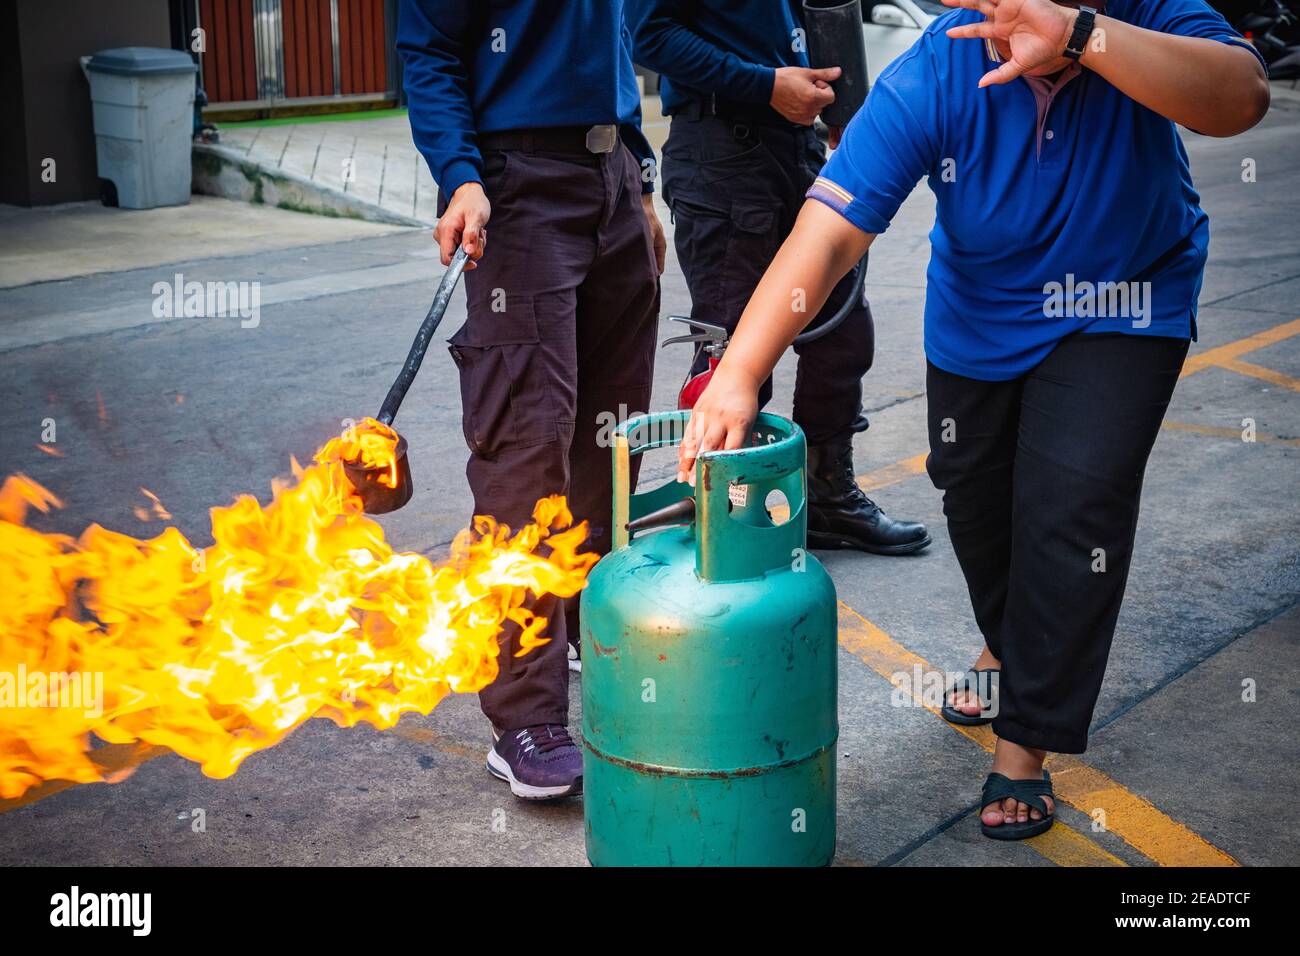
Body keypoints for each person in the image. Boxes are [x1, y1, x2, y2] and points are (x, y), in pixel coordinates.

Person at [676, 0, 1268, 839]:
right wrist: (741, 369)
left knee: (1073, 507)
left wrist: (1082, 38)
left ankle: (1025, 740)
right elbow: (832, 230)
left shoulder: (1143, 17)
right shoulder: (942, 63)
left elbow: (1242, 96)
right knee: (973, 496)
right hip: (981, 312)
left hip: (1127, 300)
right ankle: (1004, 643)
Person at [398, 0, 665, 801]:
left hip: (612, 177)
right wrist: (461, 175)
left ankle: (589, 624)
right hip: (518, 190)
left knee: (611, 443)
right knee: (525, 452)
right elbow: (429, 51)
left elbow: (616, 51)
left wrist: (640, 184)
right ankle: (523, 716)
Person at [628, 0, 931, 555]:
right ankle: (724, 518)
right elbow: (647, 35)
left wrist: (845, 112)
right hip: (722, 149)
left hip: (799, 147)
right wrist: (764, 84)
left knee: (840, 332)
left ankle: (827, 500)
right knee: (731, 346)